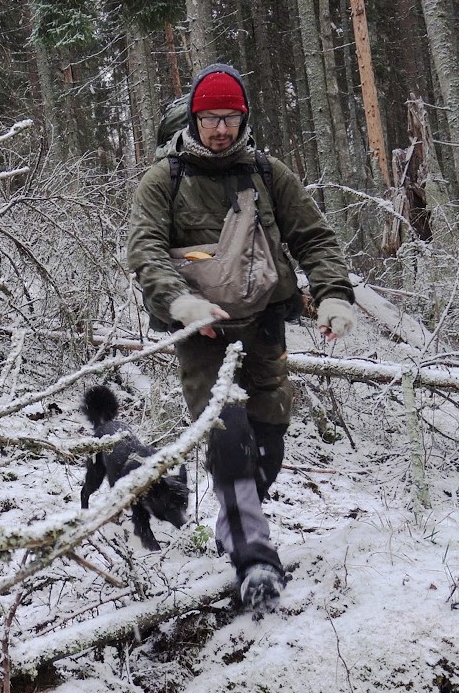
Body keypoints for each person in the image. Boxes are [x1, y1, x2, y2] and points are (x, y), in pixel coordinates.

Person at [125, 63, 357, 612]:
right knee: (228, 437)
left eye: (230, 118)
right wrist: (180, 303)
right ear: (195, 118)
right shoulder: (166, 179)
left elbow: (315, 238)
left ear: (244, 118)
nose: (221, 129)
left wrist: (333, 295)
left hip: (265, 326)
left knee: (268, 443)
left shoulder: (268, 173)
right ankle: (252, 556)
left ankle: (240, 513)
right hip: (203, 333)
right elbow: (145, 250)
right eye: (211, 119)